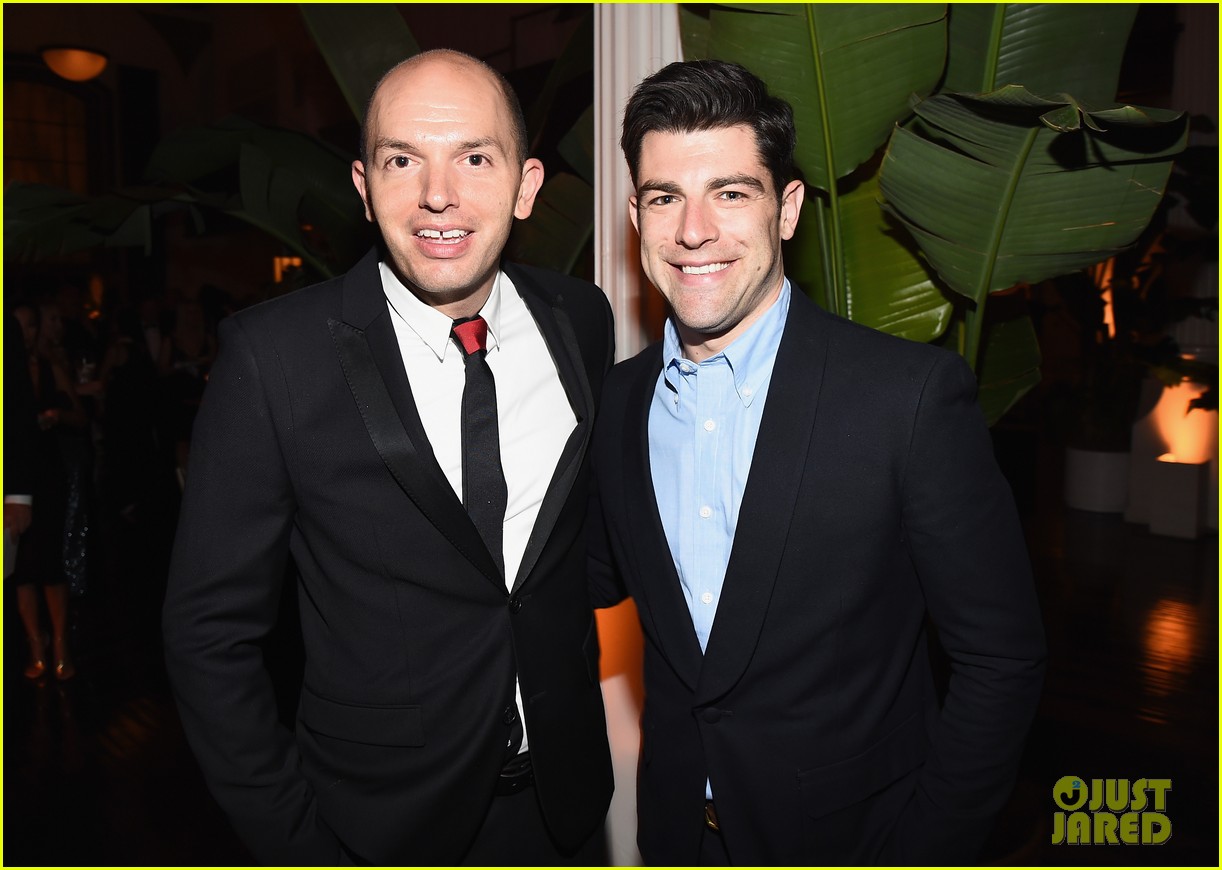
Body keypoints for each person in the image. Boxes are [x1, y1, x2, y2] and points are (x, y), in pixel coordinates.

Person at [588, 60, 1046, 865]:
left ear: (788, 208)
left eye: (731, 193)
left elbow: (1000, 660)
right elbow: (575, 580)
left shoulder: (905, 399)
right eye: (665, 198)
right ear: (636, 215)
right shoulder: (618, 404)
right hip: (675, 841)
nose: (694, 230)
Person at [163, 49, 614, 865]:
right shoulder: (274, 359)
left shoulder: (580, 319)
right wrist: (295, 842)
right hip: (377, 829)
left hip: (566, 812)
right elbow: (208, 634)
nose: (438, 193)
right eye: (402, 160)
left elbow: (573, 550)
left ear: (527, 186)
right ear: (365, 187)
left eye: (475, 158)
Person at [10, 300, 88, 680]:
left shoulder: (47, 367)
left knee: (49, 563)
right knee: (21, 569)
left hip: (45, 474)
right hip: (15, 476)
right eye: (18, 325)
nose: (23, 333)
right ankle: (34, 643)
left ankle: (60, 642)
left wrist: (55, 417)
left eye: (28, 325)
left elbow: (80, 417)